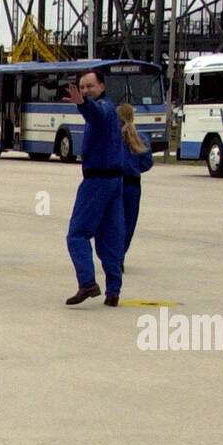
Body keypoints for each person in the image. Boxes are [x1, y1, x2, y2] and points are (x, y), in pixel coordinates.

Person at [63, 70, 125, 307]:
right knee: (109, 236)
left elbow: (96, 114)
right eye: (82, 87)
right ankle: (113, 291)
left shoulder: (103, 109)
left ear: (102, 86)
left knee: (77, 234)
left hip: (97, 181)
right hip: (114, 181)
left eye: (90, 86)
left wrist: (83, 104)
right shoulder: (109, 110)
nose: (86, 90)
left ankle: (87, 282)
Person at [117, 101, 153, 257]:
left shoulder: (113, 137)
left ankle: (113, 253)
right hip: (133, 185)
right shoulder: (140, 138)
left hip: (116, 182)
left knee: (114, 221)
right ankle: (121, 253)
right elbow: (147, 162)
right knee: (129, 222)